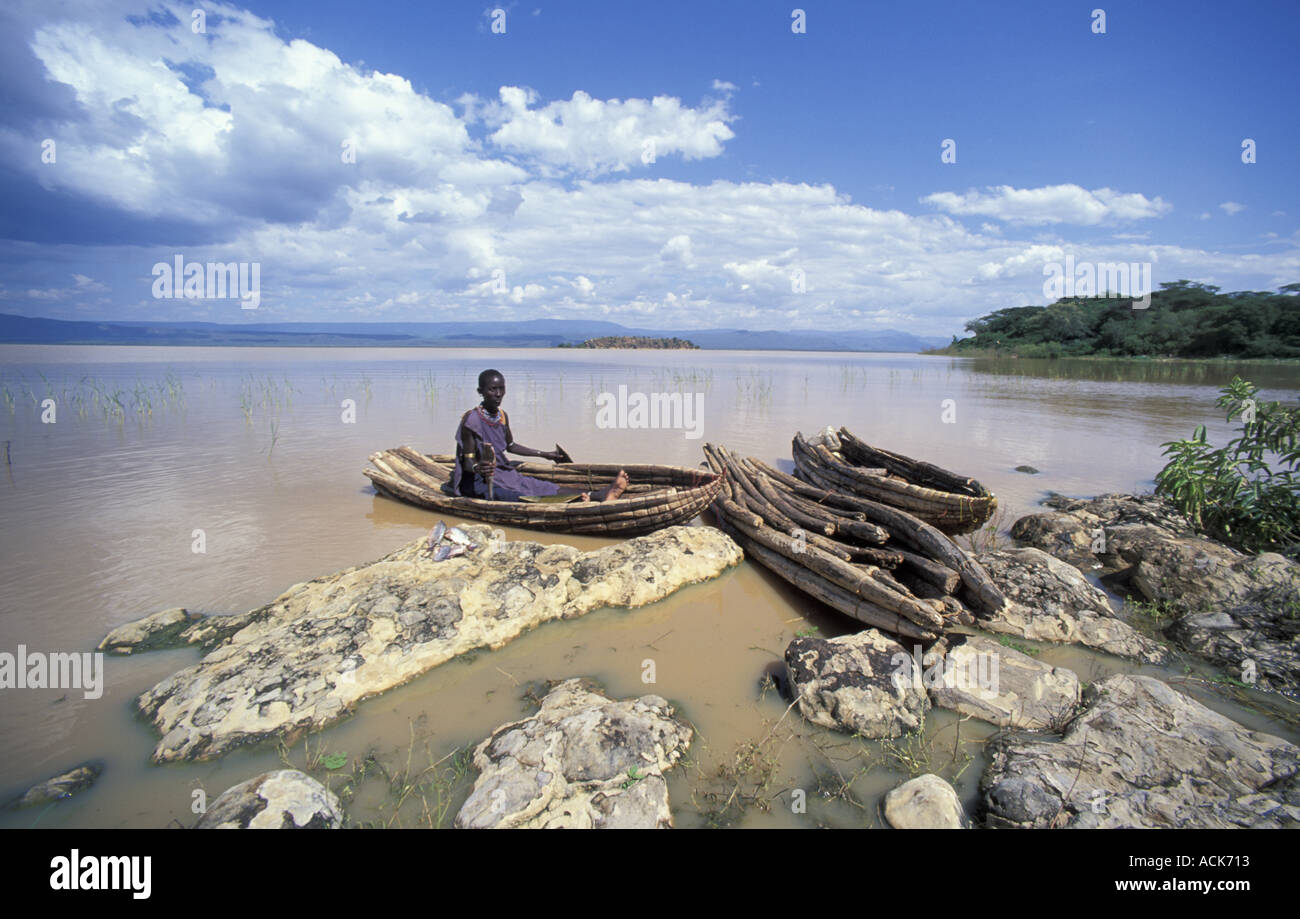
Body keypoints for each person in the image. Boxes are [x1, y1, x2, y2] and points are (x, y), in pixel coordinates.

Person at [450, 369, 629, 502]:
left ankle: (597, 494)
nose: (498, 394)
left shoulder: (502, 416)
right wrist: (478, 468)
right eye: (492, 389)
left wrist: (544, 454)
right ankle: (589, 498)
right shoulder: (471, 420)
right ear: (480, 391)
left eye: (501, 389)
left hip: (502, 473)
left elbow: (510, 446)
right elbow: (467, 462)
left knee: (542, 486)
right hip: (479, 481)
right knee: (520, 496)